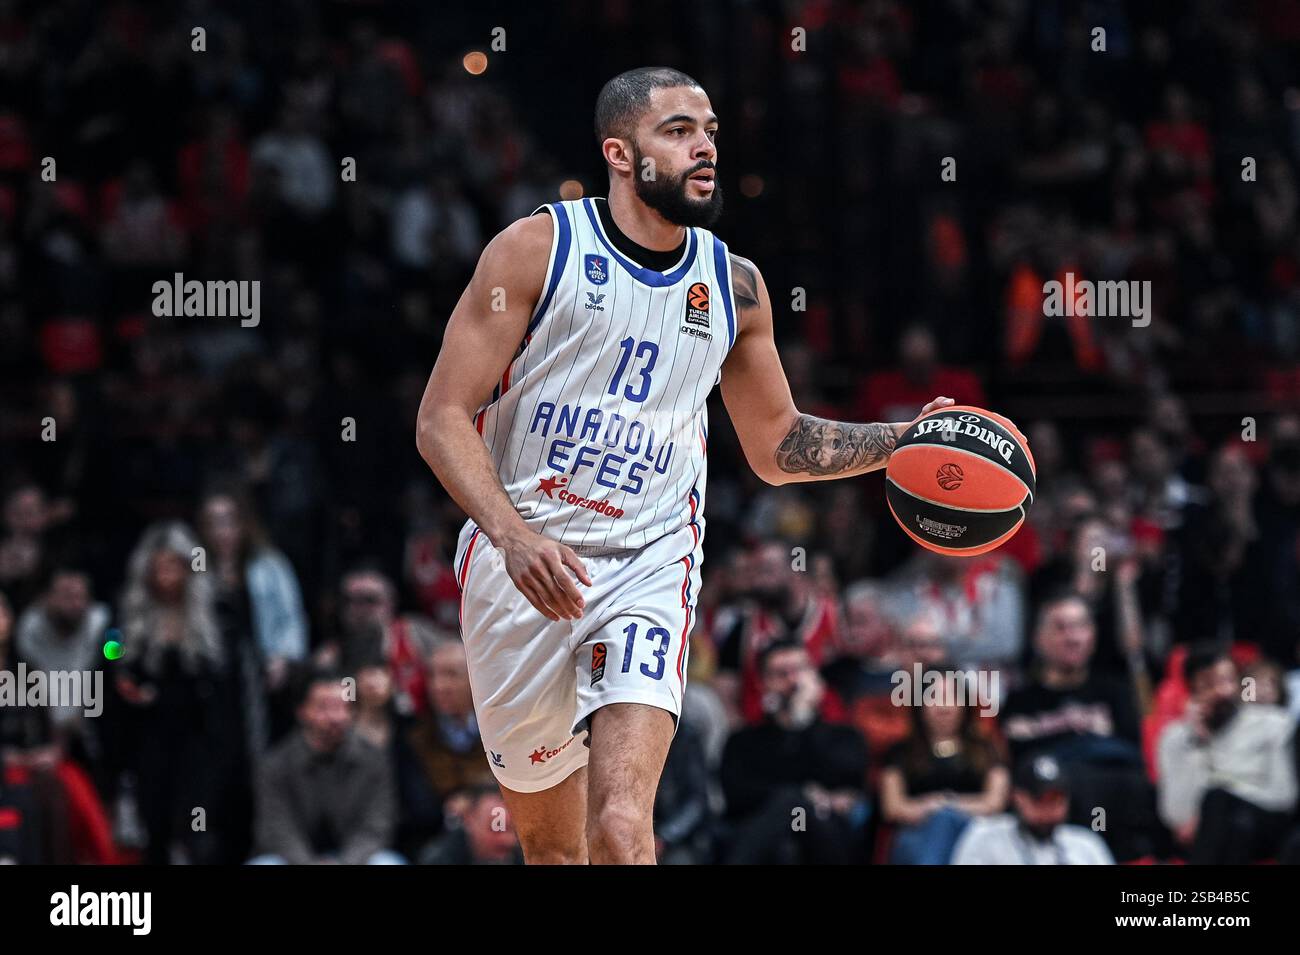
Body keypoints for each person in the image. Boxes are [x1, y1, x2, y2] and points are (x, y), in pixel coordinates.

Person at [415, 65, 950, 864]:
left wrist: (899, 441)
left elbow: (778, 446)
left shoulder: (736, 287)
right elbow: (440, 418)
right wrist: (513, 535)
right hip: (520, 564)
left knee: (621, 826)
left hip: (649, 562)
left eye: (710, 132)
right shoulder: (535, 250)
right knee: (554, 849)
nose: (705, 148)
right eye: (678, 131)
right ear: (619, 153)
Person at [719, 641, 869, 864]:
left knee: (796, 807)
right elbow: (736, 794)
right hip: (766, 831)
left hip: (823, 834)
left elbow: (848, 779)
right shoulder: (743, 741)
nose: (793, 681)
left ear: (815, 675)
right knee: (787, 831)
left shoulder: (843, 735)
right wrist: (802, 795)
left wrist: (804, 721)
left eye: (800, 669)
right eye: (781, 674)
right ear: (763, 682)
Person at [1156, 646, 1297, 863]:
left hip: (1265, 824)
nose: (1222, 691)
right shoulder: (1175, 738)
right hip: (1214, 835)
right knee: (1221, 814)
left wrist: (1229, 792)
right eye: (1209, 684)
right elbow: (1175, 815)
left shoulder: (1273, 724)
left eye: (1228, 680)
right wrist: (1198, 743)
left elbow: (1284, 796)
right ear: (1191, 691)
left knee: (1220, 802)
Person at [249, 667, 402, 865]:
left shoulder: (373, 760)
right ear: (302, 711)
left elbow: (376, 827)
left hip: (355, 858)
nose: (336, 717)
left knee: (387, 862)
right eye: (324, 707)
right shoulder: (276, 765)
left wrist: (345, 862)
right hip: (297, 859)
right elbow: (277, 829)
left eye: (343, 707)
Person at [879, 700, 1009, 864]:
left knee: (946, 820)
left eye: (951, 699)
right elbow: (892, 808)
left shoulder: (987, 749)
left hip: (974, 829)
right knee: (937, 827)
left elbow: (995, 803)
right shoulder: (900, 752)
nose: (943, 708)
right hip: (918, 831)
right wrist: (930, 807)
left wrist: (948, 805)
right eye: (934, 699)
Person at [951, 754, 1114, 865]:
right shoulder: (986, 836)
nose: (1049, 811)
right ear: (1018, 798)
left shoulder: (1085, 844)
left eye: (1057, 802)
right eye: (1041, 802)